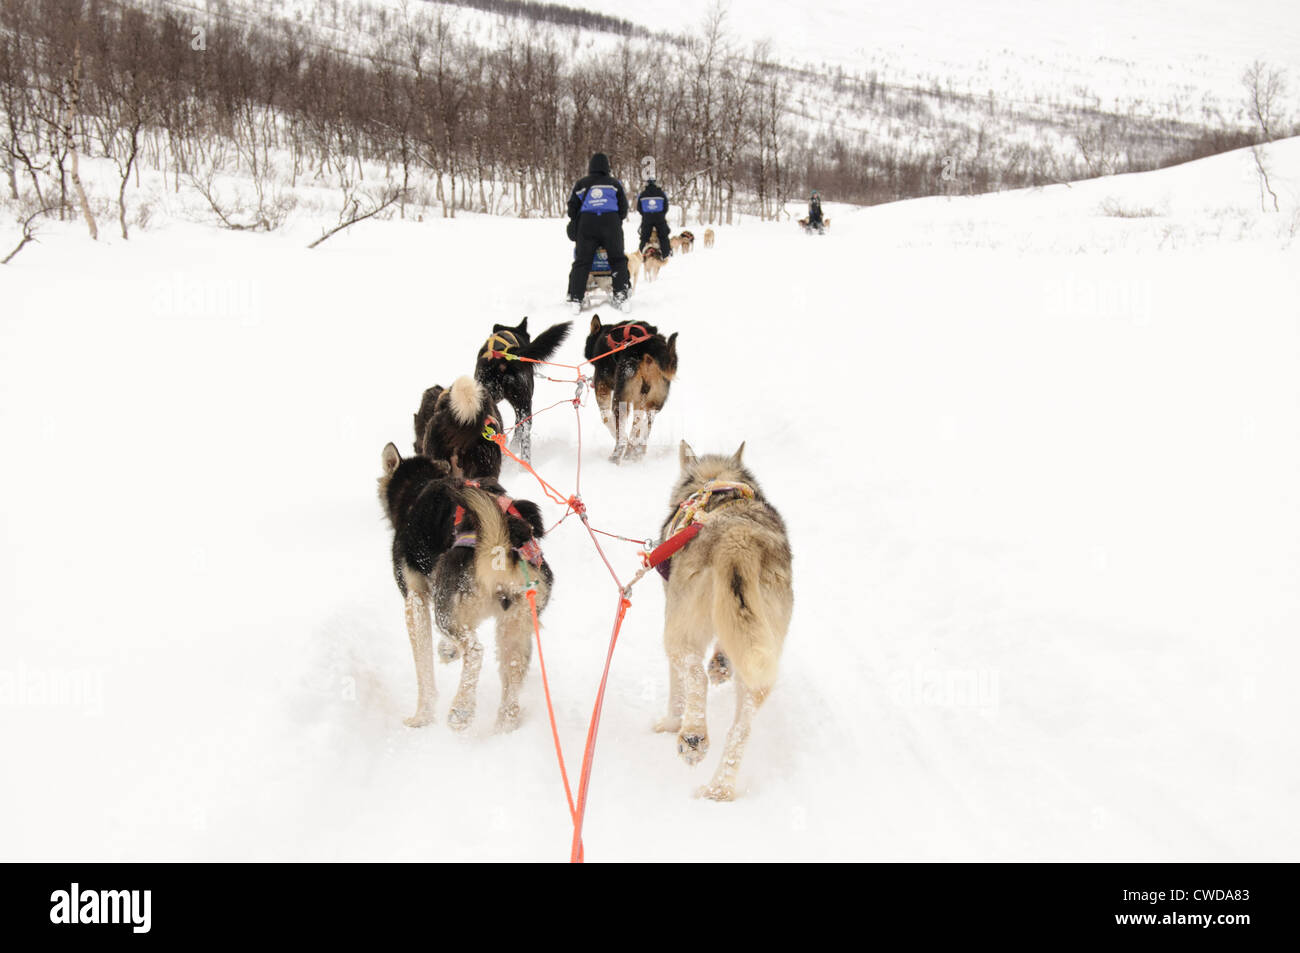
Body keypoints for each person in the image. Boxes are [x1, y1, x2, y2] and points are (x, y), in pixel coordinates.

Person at [566, 152, 630, 312]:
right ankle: (621, 296)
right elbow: (623, 208)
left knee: (582, 261)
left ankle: (575, 298)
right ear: (607, 167)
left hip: (587, 224)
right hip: (611, 223)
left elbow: (572, 208)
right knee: (618, 260)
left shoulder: (581, 184)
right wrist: (615, 220)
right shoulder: (615, 184)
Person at [635, 177, 672, 258]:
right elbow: (666, 207)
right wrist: (661, 214)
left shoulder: (642, 194)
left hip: (647, 218)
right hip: (659, 217)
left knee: (644, 237)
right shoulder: (661, 194)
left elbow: (639, 208)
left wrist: (645, 214)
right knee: (663, 236)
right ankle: (666, 254)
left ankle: (642, 253)